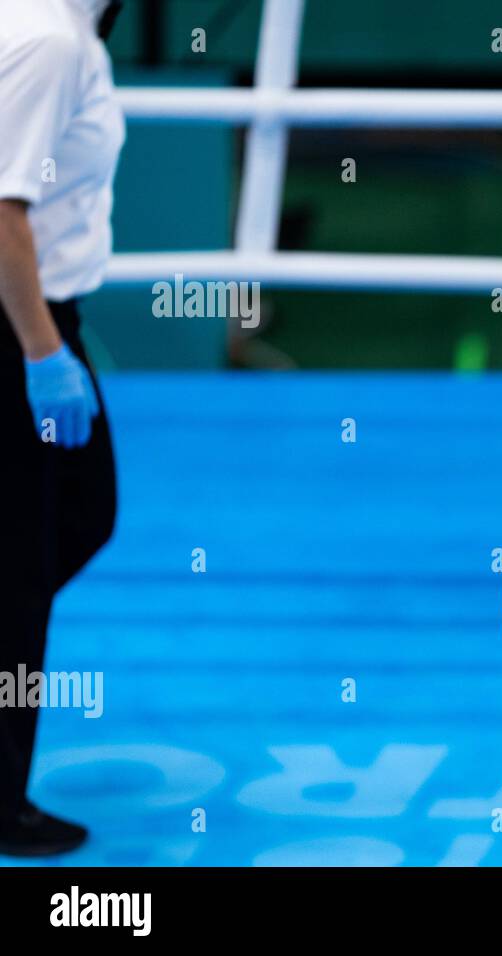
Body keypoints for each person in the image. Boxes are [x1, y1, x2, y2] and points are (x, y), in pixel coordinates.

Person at [0, 0, 124, 856]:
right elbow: (1, 217)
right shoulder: (44, 38)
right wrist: (41, 353)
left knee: (76, 518)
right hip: (20, 323)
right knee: (21, 560)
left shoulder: (63, 30)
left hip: (41, 317)